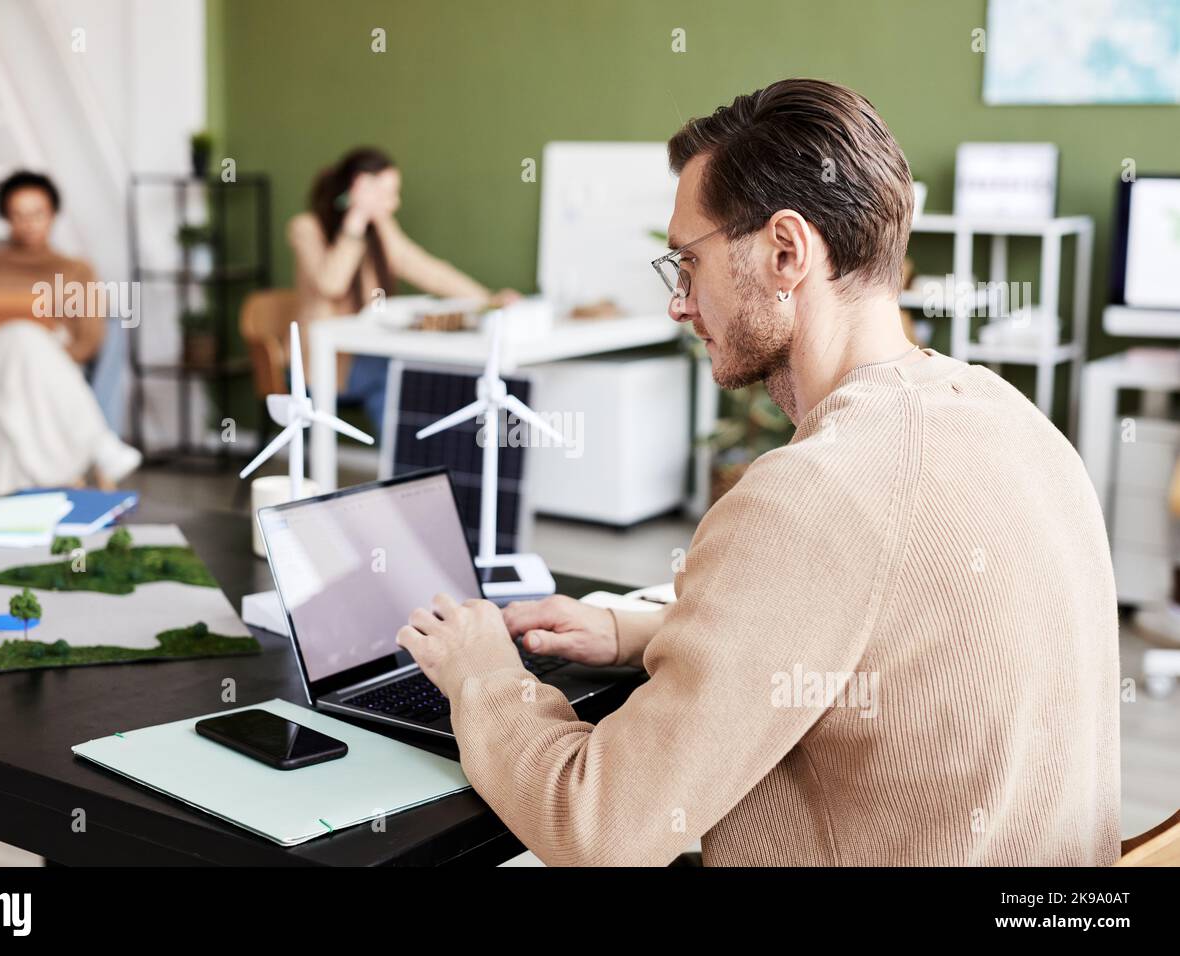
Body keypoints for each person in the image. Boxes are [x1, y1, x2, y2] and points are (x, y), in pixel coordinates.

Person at [395, 79, 1120, 866]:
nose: (679, 302)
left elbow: (599, 828)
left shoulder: (812, 494)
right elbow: (887, 639)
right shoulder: (1012, 416)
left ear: (785, 251)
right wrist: (635, 632)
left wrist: (483, 679)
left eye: (688, 262)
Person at [0, 171, 140, 496]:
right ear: (6, 217)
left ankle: (3, 507)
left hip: (35, 380)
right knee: (20, 336)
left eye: (37, 214)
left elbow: (87, 342)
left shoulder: (76, 270)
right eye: (18, 214)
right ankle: (99, 442)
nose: (28, 223)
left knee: (19, 390)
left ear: (53, 215)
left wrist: (38, 348)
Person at [287, 147, 517, 431]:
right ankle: (414, 463)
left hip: (366, 355)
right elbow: (331, 284)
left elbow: (426, 269)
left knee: (410, 377)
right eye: (386, 194)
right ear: (359, 187)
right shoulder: (306, 228)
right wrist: (356, 218)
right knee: (400, 376)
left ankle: (412, 465)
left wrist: (488, 299)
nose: (394, 203)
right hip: (322, 366)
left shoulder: (382, 228)